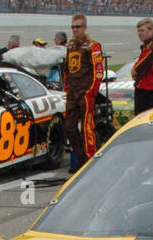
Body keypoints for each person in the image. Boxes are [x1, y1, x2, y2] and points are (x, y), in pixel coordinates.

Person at [63, 13, 104, 171]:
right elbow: (66, 69)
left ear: (85, 27)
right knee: (70, 127)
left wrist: (91, 91)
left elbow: (98, 72)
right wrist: (67, 87)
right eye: (73, 27)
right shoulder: (70, 45)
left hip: (85, 93)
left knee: (87, 128)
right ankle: (81, 159)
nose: (75, 30)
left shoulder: (93, 45)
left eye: (78, 27)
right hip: (72, 93)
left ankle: (91, 161)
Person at [132, 17, 153, 114]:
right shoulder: (146, 47)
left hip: (148, 91)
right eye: (138, 31)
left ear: (151, 31)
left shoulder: (151, 48)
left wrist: (134, 70)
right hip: (145, 90)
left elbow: (136, 70)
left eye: (142, 30)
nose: (140, 33)